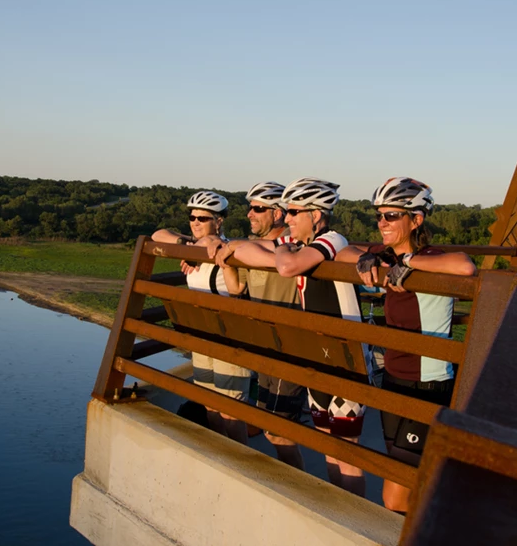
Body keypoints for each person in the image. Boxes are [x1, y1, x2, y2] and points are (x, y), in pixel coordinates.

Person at [336, 177, 476, 513]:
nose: (382, 222)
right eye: (379, 215)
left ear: (416, 220)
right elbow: (343, 252)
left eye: (392, 215)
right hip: (394, 378)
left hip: (427, 382)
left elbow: (465, 266)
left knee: (395, 496)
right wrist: (365, 259)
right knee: (409, 479)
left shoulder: (431, 257)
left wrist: (408, 263)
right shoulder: (384, 255)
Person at [226, 177, 369, 496]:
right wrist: (269, 253)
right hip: (319, 356)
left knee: (347, 455)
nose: (287, 218)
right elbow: (249, 250)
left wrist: (280, 254)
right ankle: (338, 511)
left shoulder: (333, 239)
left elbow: (288, 267)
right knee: (328, 449)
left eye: (294, 212)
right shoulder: (301, 245)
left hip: (347, 361)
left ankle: (355, 520)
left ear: (316, 216)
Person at [211, 181, 306, 470]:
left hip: (288, 347)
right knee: (270, 426)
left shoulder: (291, 246)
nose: (250, 214)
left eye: (257, 208)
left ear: (278, 214)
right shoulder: (252, 248)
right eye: (250, 208)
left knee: (278, 432)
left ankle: (298, 488)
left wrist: (235, 247)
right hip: (265, 348)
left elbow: (280, 253)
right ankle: (293, 485)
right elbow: (237, 289)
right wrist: (227, 258)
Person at [151, 190, 251, 445]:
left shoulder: (225, 250)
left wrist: (203, 245)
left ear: (219, 221)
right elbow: (157, 235)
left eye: (203, 218)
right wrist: (188, 245)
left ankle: (242, 459)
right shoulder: (195, 247)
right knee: (210, 406)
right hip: (202, 336)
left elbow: (212, 244)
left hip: (228, 339)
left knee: (231, 411)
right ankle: (221, 452)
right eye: (192, 217)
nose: (195, 222)